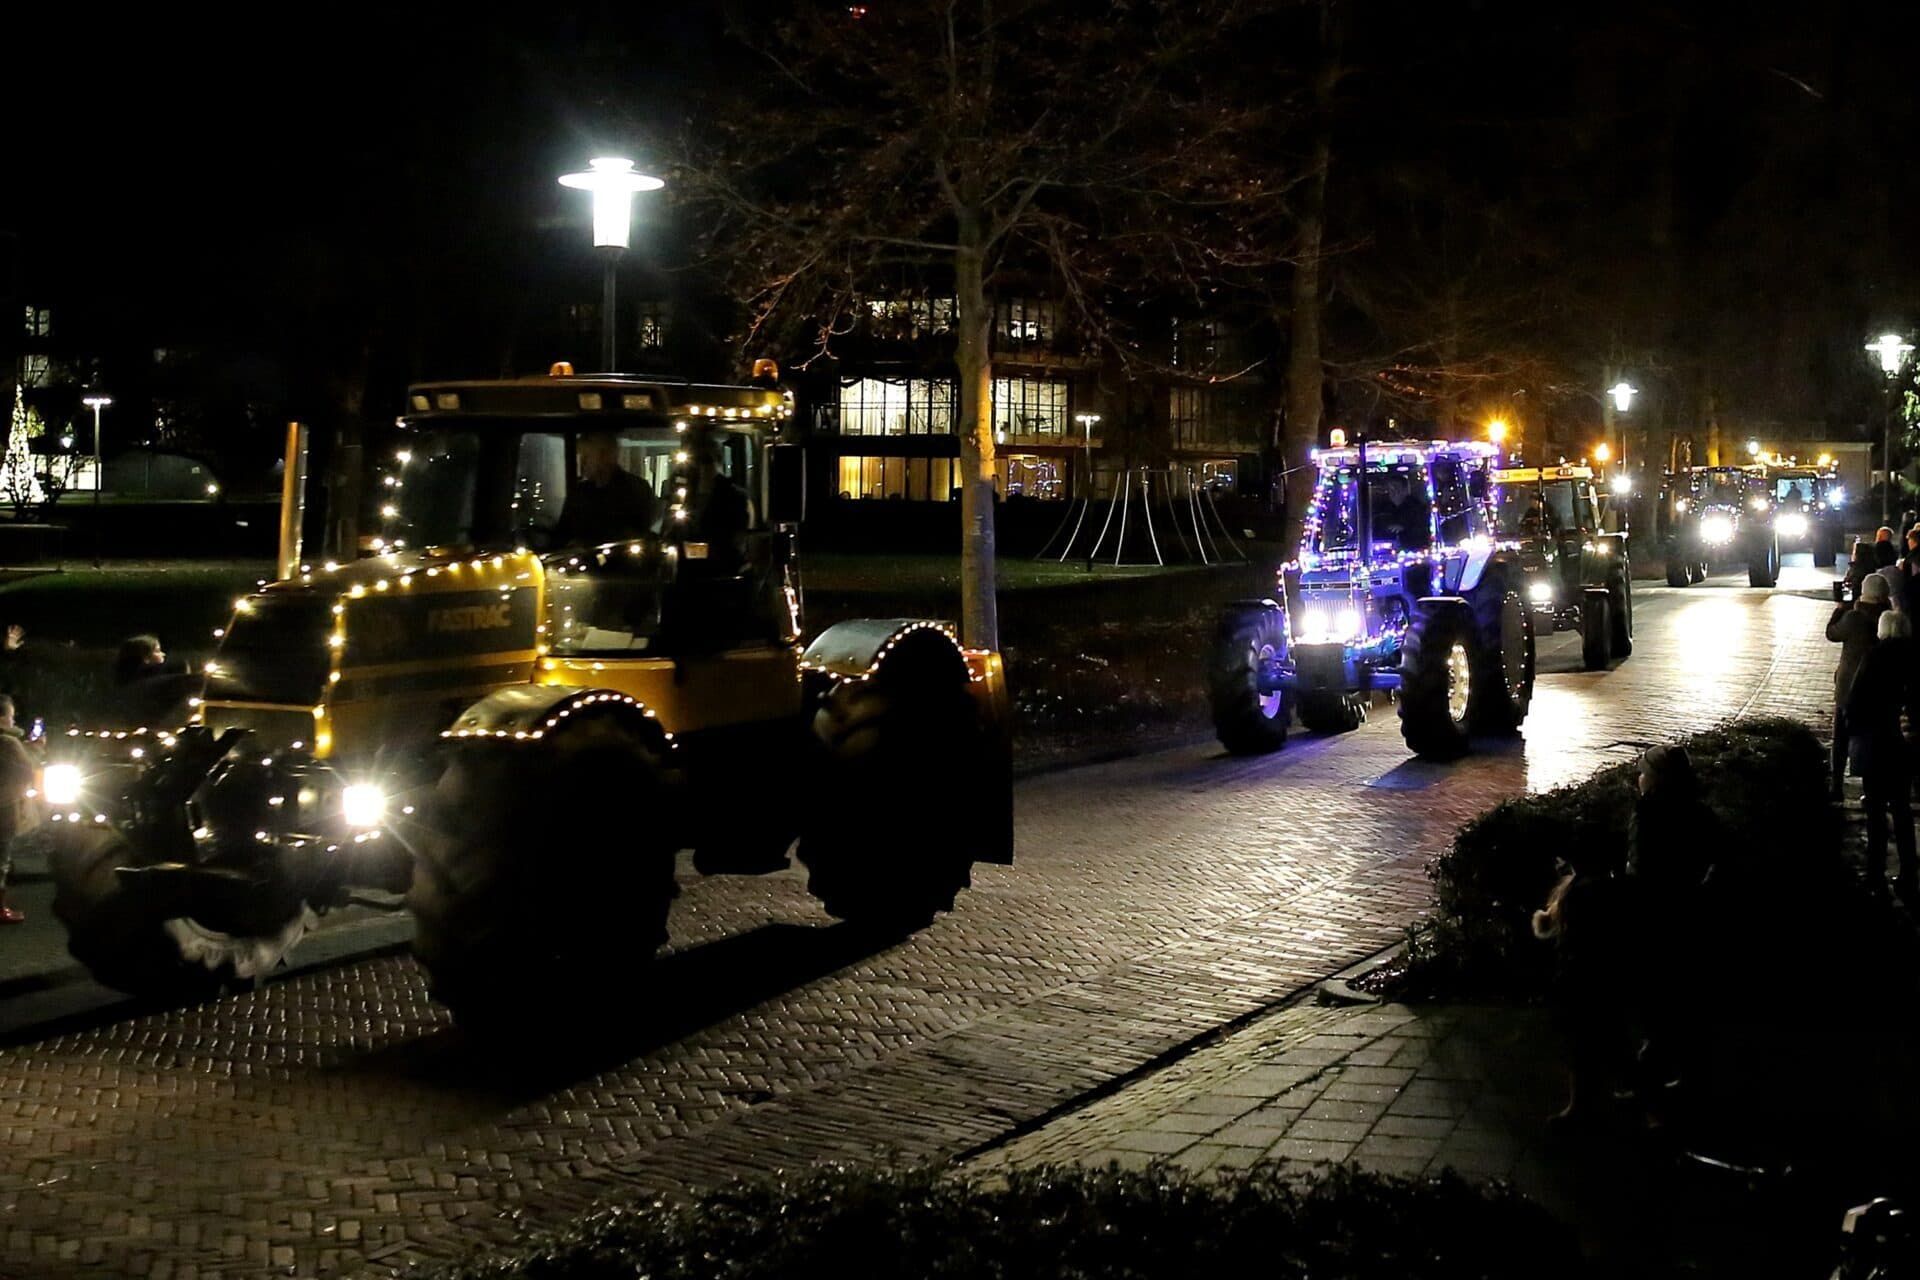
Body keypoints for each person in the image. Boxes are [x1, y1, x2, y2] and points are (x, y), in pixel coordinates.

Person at [1624, 744, 1719, 1097]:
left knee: (1655, 1001)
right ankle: (1688, 1076)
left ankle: (1650, 1085)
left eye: (1644, 772)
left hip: (1655, 919)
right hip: (1688, 917)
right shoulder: (1698, 812)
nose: (1639, 778)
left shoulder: (1648, 814)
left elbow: (1641, 867)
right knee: (1681, 1000)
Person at [1847, 608, 1919, 900]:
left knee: (1875, 812)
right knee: (1901, 810)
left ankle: (1875, 874)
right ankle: (1909, 873)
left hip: (1876, 745)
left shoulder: (1873, 657)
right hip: (1903, 746)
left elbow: (1855, 701)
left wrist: (1855, 730)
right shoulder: (1915, 658)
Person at [1827, 572, 1893, 800]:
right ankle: (1871, 790)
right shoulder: (1889, 618)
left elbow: (1832, 633)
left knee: (1841, 740)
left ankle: (1836, 786)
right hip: (1878, 691)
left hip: (1849, 687)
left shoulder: (1854, 617)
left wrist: (1839, 608)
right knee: (1871, 740)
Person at [554, 430, 657, 548]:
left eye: (586, 457)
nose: (582, 464)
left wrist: (587, 544)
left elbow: (635, 534)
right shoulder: (579, 492)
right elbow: (562, 533)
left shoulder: (635, 490)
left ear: (604, 456)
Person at [111, 635, 200, 729]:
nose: (163, 654)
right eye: (157, 651)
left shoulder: (125, 685)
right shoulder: (162, 682)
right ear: (145, 658)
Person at [0, 694, 36, 924]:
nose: (13, 722)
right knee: (1, 860)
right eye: (11, 717)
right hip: (4, 808)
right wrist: (37, 751)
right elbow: (27, 771)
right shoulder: (8, 742)